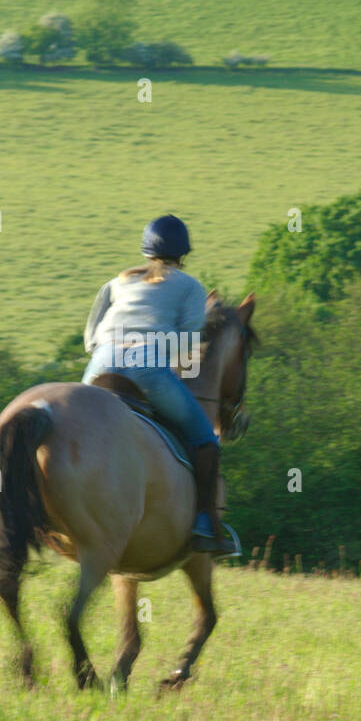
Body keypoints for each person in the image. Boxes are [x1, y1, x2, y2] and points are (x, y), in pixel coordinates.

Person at [82, 215, 236, 553]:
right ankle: (205, 525)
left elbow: (90, 337)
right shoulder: (190, 287)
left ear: (146, 249)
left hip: (100, 365)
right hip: (147, 367)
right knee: (204, 440)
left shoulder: (117, 282)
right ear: (183, 254)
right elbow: (187, 342)